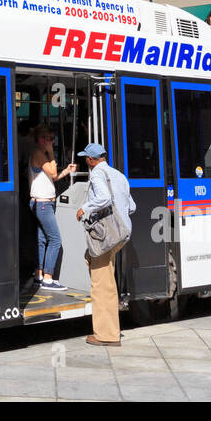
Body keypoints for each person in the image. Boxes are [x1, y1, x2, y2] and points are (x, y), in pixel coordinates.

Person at [75, 143, 135, 347]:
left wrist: (84, 208)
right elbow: (132, 206)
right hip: (121, 234)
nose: (86, 161)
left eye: (86, 158)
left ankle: (106, 335)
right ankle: (109, 330)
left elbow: (104, 198)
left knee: (102, 284)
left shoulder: (97, 174)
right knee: (100, 270)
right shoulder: (119, 175)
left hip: (106, 237)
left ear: (91, 160)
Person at [28, 124, 75, 291]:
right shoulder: (39, 154)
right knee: (55, 239)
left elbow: (51, 178)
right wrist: (51, 153)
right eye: (48, 139)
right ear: (40, 140)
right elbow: (53, 173)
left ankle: (39, 275)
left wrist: (66, 171)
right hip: (43, 204)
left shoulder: (40, 154)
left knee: (42, 240)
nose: (51, 142)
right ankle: (48, 278)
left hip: (42, 203)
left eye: (52, 139)